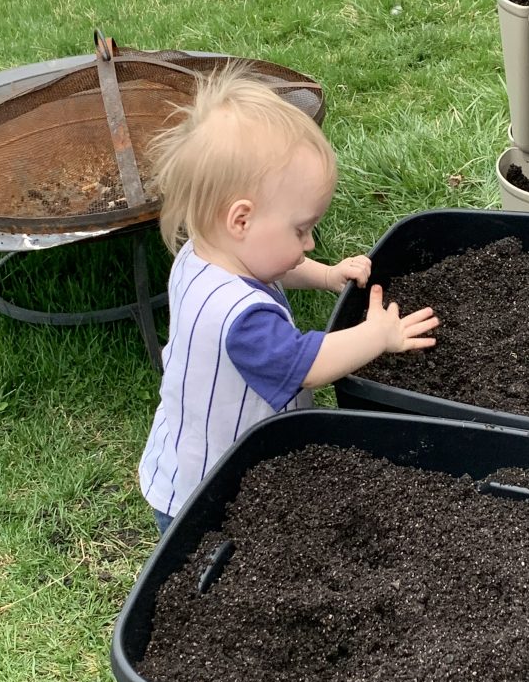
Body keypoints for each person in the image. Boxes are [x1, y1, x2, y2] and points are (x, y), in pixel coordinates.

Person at [139, 69, 439, 535]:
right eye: (300, 230)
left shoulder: (205, 251)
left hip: (190, 452)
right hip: (207, 489)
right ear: (241, 220)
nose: (311, 242)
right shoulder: (243, 323)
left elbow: (275, 264)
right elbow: (311, 364)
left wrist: (324, 276)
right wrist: (377, 334)